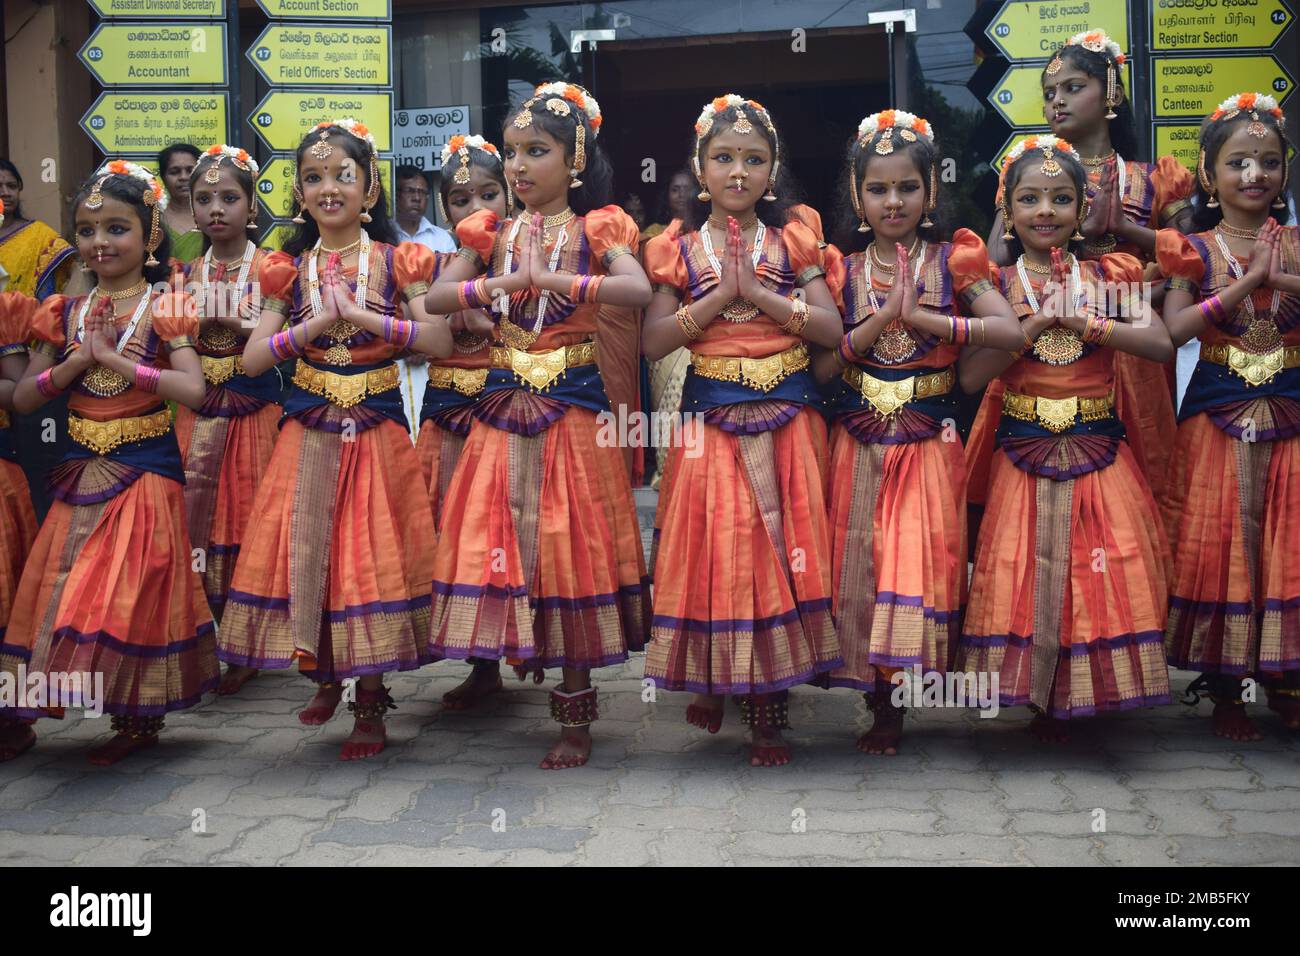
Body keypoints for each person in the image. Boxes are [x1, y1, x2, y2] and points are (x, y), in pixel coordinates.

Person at [218, 119, 463, 761]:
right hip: (308, 427)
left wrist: (361, 317)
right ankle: (324, 671)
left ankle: (371, 706)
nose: (329, 188)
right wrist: (312, 326)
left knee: (368, 558)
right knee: (312, 547)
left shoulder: (398, 260)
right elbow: (250, 359)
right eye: (314, 178)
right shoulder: (285, 269)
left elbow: (438, 341)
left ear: (370, 187)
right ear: (299, 194)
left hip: (377, 430)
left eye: (342, 176)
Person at [425, 83, 652, 770]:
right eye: (515, 153)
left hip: (574, 406)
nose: (520, 167)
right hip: (501, 403)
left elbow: (638, 290)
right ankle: (498, 664)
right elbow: (435, 299)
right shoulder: (489, 232)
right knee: (495, 539)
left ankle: (576, 711)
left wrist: (563, 284)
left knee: (569, 547)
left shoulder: (598, 227)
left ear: (575, 160)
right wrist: (492, 286)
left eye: (538, 152)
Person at [641, 94, 842, 767]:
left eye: (753, 159)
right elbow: (654, 340)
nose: (737, 172)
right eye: (723, 158)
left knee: (783, 551)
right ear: (701, 170)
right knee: (723, 550)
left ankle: (770, 709)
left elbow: (829, 330)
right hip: (711, 419)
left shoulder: (794, 239)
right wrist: (717, 299)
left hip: (789, 416)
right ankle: (728, 680)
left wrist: (755, 295)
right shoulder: (677, 247)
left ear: (772, 170)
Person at [816, 109, 1020, 755]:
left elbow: (1010, 334)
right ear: (857, 195)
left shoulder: (955, 258)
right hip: (857, 437)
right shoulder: (838, 269)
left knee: (916, 563)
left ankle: (904, 696)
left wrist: (935, 324)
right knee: (867, 566)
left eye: (908, 187)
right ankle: (881, 700)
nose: (893, 200)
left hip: (931, 437)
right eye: (878, 189)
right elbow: (823, 365)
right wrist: (877, 324)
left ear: (930, 191)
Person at [957, 135, 1174, 742]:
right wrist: (1031, 326)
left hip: (1099, 442)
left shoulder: (1110, 273)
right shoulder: (993, 284)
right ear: (1007, 210)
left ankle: (1088, 691)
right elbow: (971, 377)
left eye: (1060, 198)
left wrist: (1084, 320)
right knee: (1023, 567)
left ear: (1083, 211)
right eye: (1029, 199)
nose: (1045, 211)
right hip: (1021, 446)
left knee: (1098, 565)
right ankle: (1040, 697)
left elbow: (1159, 343)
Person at [0, 161, 216, 765]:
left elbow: (194, 391)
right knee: (66, 587)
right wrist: (72, 364)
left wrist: (118, 364)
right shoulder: (61, 313)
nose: (100, 243)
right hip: (77, 472)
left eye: (117, 229)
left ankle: (137, 719)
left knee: (130, 590)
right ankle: (70, 703)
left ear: (148, 236)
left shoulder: (166, 305)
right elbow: (23, 398)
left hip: (145, 470)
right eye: (88, 230)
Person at [980, 29, 1194, 508]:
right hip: (1043, 337)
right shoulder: (1028, 171)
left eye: (1073, 87)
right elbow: (996, 258)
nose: (1058, 102)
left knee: (1137, 472)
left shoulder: (1154, 177)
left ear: (1111, 92)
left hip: (1132, 338)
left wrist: (1124, 230)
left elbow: (1192, 256)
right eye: (1050, 93)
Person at [1156, 93, 1300, 739]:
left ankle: (1288, 683)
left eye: (1269, 161)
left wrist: (1283, 276)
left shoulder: (1295, 243)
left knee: (1286, 550)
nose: (1255, 174)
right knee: (1226, 550)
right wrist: (1248, 282)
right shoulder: (1191, 248)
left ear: (1285, 173)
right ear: (1210, 177)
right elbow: (1175, 328)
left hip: (1291, 418)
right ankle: (1227, 692)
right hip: (1216, 419)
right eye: (1239, 161)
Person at [172, 145, 283, 696]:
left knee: (249, 520)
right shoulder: (182, 272)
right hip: (196, 410)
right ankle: (212, 636)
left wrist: (230, 321)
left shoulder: (273, 268)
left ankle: (250, 643)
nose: (217, 209)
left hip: (254, 408)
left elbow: (281, 342)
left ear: (251, 207)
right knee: (196, 522)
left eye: (229, 198)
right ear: (191, 211)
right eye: (204, 200)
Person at [417, 134, 511, 711]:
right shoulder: (430, 266)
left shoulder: (529, 254)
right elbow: (422, 339)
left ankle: (521, 650)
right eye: (458, 199)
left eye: (488, 192)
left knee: (504, 542)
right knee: (454, 542)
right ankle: (482, 664)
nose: (475, 208)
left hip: (506, 417)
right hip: (446, 417)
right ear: (441, 209)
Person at [392, 165, 457, 442]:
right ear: (396, 195)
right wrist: (409, 340)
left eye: (422, 192)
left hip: (436, 347)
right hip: (396, 348)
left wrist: (426, 341)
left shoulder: (442, 239)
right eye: (410, 191)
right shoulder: (385, 236)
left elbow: (453, 294)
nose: (417, 198)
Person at [0, 159, 77, 299]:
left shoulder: (39, 235)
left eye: (11, 186)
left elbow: (47, 295)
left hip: (25, 319)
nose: (5, 192)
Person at [157, 144, 204, 264]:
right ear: (163, 177)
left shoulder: (213, 216)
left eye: (190, 170)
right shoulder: (154, 219)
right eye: (174, 172)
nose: (183, 177)